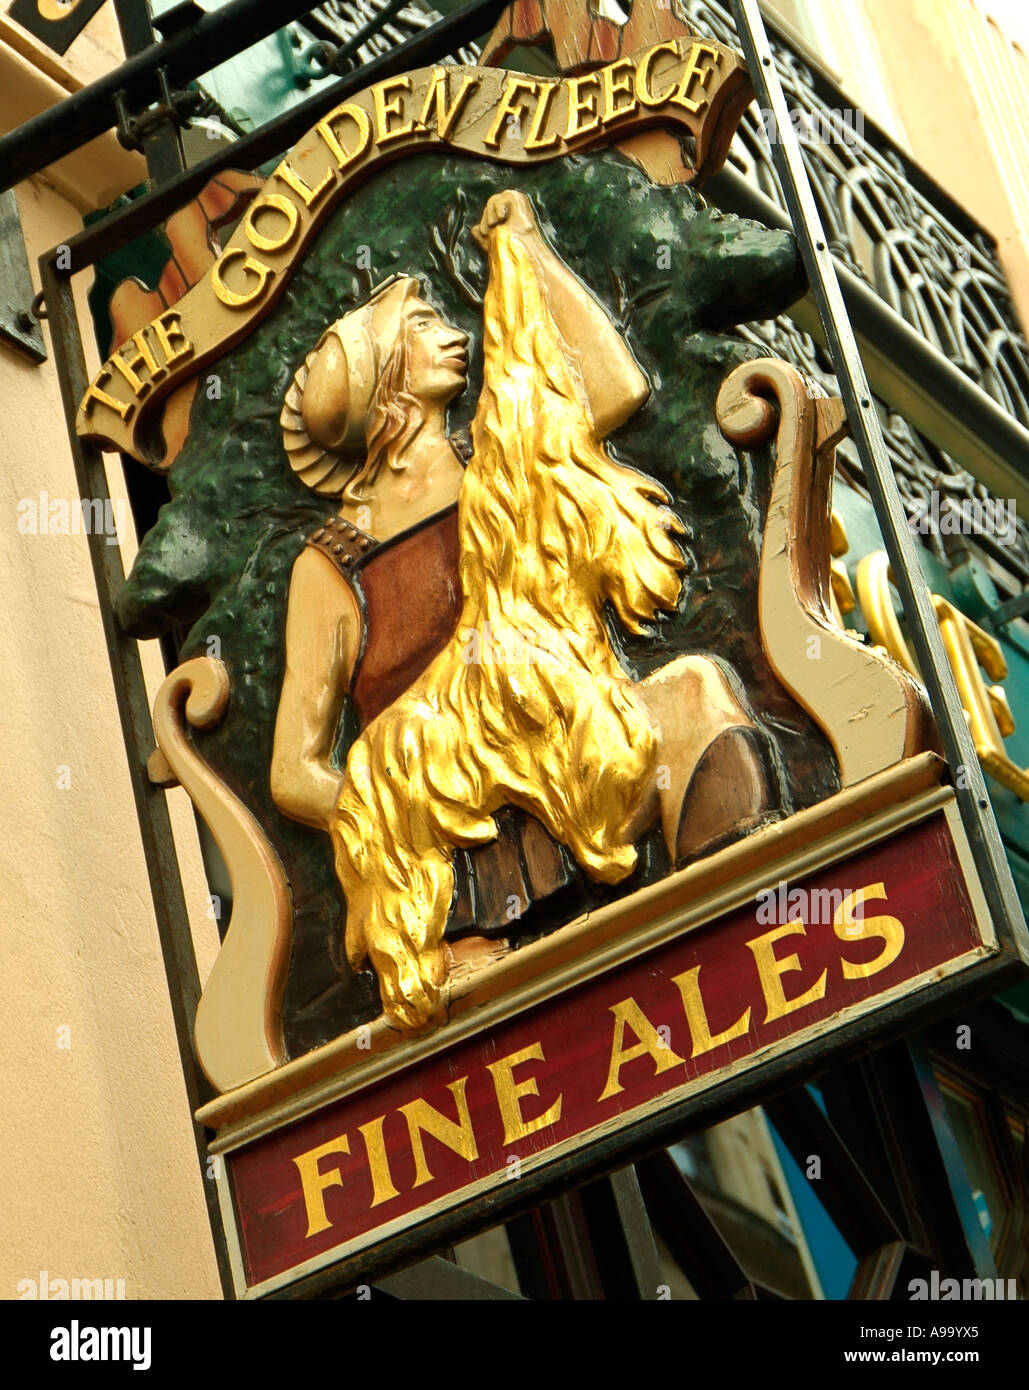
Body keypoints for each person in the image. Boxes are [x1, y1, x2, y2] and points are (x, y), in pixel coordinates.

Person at [271, 190, 777, 981]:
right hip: (463, 848)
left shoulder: (499, 468)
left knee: (696, 697)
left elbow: (613, 389)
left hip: (569, 741)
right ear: (386, 385)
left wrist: (528, 248)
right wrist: (400, 815)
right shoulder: (331, 562)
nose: (453, 336)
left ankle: (755, 945)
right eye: (423, 327)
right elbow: (293, 767)